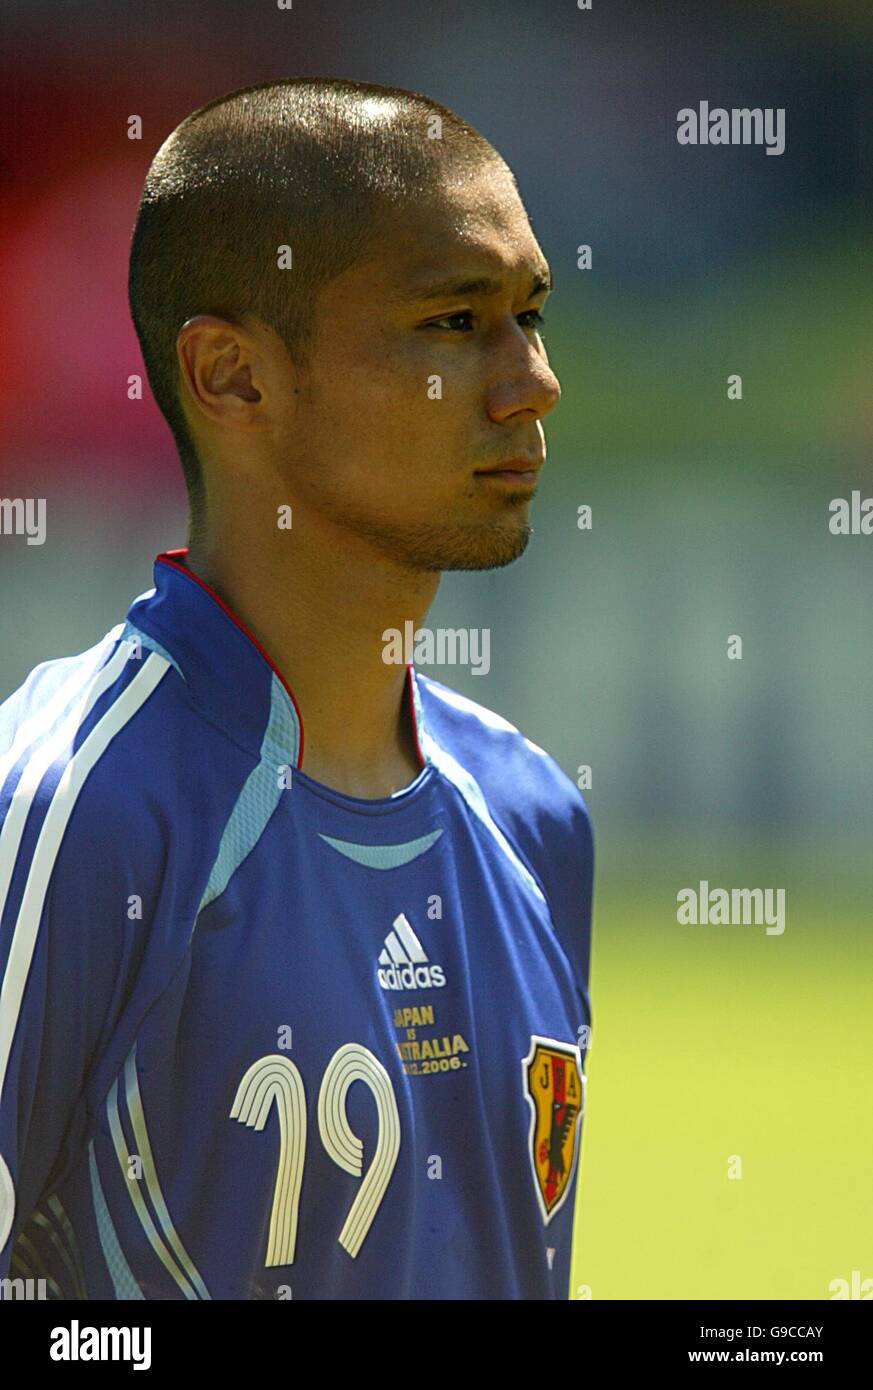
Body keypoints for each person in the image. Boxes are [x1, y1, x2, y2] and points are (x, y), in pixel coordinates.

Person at [0, 76, 594, 1300]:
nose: (530, 381)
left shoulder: (535, 816)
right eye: (451, 322)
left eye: (530, 313)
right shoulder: (74, 811)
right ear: (232, 377)